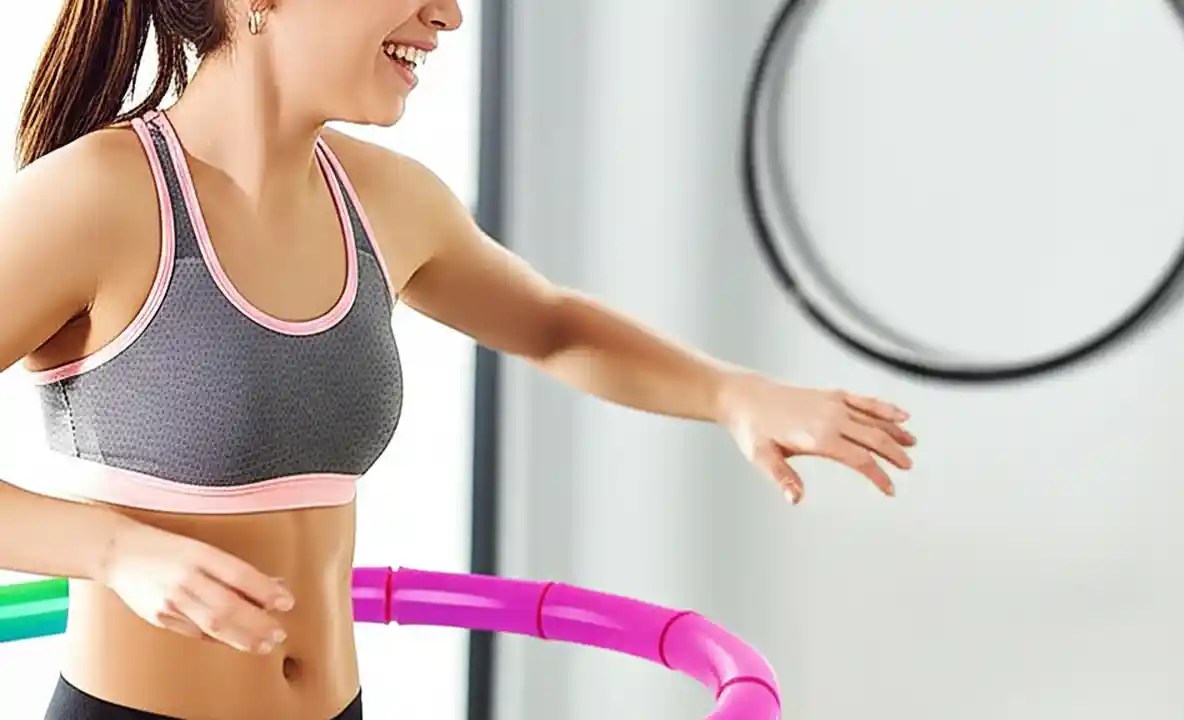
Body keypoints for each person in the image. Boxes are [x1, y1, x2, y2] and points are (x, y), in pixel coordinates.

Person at [0, 1, 917, 718]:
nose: (449, 14)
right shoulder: (96, 198)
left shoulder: (388, 200)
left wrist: (733, 393)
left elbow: (553, 326)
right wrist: (115, 552)